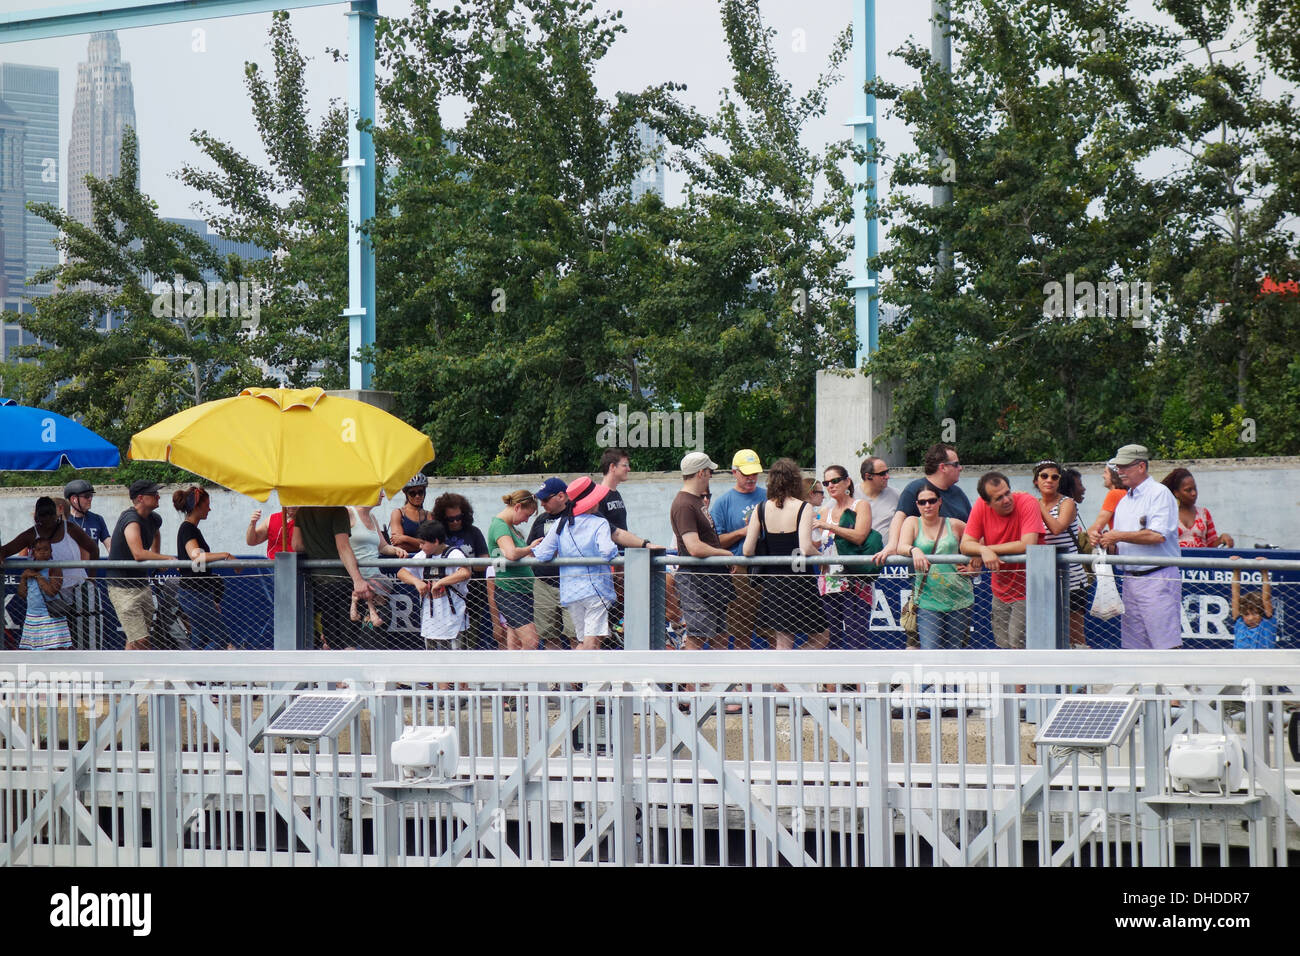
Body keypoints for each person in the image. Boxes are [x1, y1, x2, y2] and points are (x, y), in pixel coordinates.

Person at [1095, 444, 1183, 650]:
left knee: (1166, 645)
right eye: (1118, 467)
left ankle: (1174, 682)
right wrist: (1105, 541)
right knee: (1134, 647)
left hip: (1157, 577)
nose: (1119, 471)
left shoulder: (1160, 494)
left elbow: (1158, 535)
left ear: (1141, 466)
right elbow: (1120, 544)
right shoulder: (1125, 501)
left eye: (1124, 466)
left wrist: (1116, 536)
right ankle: (1146, 683)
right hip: (1130, 580)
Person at [743, 458, 828, 650]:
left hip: (774, 581)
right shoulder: (803, 507)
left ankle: (780, 677)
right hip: (800, 579)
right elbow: (805, 547)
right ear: (795, 481)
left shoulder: (761, 508)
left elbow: (747, 550)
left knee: (783, 640)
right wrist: (822, 558)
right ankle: (788, 670)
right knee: (822, 635)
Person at [532, 477, 621, 651]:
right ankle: (579, 674)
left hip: (570, 591)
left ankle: (584, 676)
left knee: (584, 639)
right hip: (596, 589)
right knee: (591, 640)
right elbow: (607, 551)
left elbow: (542, 554)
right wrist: (615, 554)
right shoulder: (599, 523)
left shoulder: (560, 524)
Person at [960, 472, 1046, 649]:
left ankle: (1026, 677)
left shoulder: (1027, 501)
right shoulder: (980, 507)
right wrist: (982, 549)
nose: (1007, 499)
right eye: (999, 498)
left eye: (1008, 493)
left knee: (1017, 645)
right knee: (1003, 646)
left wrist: (987, 550)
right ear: (987, 503)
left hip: (1030, 588)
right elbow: (965, 545)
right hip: (1000, 589)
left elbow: (1028, 543)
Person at [670, 451, 735, 652]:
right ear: (700, 473)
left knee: (720, 635)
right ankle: (691, 683)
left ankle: (717, 683)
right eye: (709, 472)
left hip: (709, 577)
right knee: (697, 636)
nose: (710, 476)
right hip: (695, 579)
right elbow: (694, 546)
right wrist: (726, 555)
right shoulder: (684, 504)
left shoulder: (695, 500)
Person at [812, 465, 878, 649]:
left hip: (855, 580)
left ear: (847, 481)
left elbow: (859, 536)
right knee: (832, 638)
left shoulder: (860, 506)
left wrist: (830, 527)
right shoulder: (824, 511)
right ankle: (833, 677)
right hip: (829, 581)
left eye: (835, 481)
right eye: (826, 483)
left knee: (856, 636)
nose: (830, 486)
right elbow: (817, 544)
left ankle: (856, 678)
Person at [898, 490, 973, 650]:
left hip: (959, 597)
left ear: (940, 502)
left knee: (955, 652)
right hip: (928, 600)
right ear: (917, 504)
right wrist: (914, 550)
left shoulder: (954, 524)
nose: (927, 505)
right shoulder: (912, 522)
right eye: (922, 502)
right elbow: (901, 546)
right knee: (930, 653)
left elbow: (978, 540)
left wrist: (974, 565)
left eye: (932, 501)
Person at [292, 506, 374, 650]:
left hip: (318, 583)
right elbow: (343, 547)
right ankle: (350, 670)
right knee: (349, 640)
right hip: (341, 580)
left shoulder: (302, 512)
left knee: (332, 640)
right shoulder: (338, 511)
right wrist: (358, 579)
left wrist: (316, 548)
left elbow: (297, 545)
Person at [874, 443, 971, 563]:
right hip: (925, 572)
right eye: (956, 464)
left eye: (932, 501)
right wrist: (892, 545)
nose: (960, 468)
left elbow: (973, 528)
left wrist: (974, 559)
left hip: (958, 573)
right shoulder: (914, 489)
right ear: (943, 467)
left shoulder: (958, 493)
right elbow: (899, 517)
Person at [711, 449, 767, 649]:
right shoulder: (722, 503)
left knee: (775, 633)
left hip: (768, 569)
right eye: (746, 474)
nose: (751, 478)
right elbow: (715, 542)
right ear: (734, 472)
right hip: (740, 572)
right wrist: (744, 532)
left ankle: (777, 679)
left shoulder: (769, 497)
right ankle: (744, 681)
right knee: (741, 632)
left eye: (754, 473)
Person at [105, 481, 171, 650]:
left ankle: (127, 675)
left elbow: (156, 532)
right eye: (153, 494)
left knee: (135, 637)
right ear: (140, 498)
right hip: (122, 588)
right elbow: (138, 553)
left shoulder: (154, 518)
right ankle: (146, 676)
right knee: (141, 640)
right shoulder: (130, 518)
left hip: (142, 584)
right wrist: (164, 559)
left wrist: (157, 556)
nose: (158, 496)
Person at [398, 520, 472, 663]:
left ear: (436, 541)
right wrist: (417, 582)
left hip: (454, 615)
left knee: (459, 659)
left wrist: (442, 582)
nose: (420, 546)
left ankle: (462, 686)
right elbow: (402, 572)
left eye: (423, 543)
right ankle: (441, 686)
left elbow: (465, 572)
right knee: (434, 659)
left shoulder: (454, 554)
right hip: (430, 618)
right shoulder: (422, 555)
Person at [172, 486, 236, 650]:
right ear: (197, 506)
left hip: (198, 594)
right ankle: (199, 673)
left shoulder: (191, 529)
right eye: (207, 504)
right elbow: (196, 556)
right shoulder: (187, 529)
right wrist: (225, 555)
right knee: (221, 639)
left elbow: (198, 565)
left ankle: (194, 673)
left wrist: (209, 598)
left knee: (200, 640)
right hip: (194, 594)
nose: (209, 508)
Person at [1034, 460, 1088, 648]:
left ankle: (1082, 676)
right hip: (1043, 579)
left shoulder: (1067, 503)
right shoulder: (1033, 505)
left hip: (1071, 580)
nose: (1049, 480)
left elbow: (1057, 528)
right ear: (1036, 481)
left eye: (1054, 477)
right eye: (1044, 476)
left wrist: (1038, 507)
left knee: (1074, 636)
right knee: (1046, 635)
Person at [431, 492, 493, 650]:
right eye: (451, 519)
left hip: (472, 594)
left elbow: (484, 561)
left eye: (459, 517)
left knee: (471, 637)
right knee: (445, 636)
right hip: (445, 594)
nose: (456, 522)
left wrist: (464, 568)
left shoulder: (474, 532)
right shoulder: (439, 534)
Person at [526, 478, 578, 650]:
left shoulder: (576, 515)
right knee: (548, 634)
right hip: (544, 583)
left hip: (571, 582)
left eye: (546, 499)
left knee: (575, 634)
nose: (542, 504)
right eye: (541, 500)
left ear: (561, 496)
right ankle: (556, 677)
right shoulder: (541, 520)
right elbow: (531, 547)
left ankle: (576, 677)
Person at [349, 498, 409, 643]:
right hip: (354, 581)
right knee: (359, 640)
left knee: (377, 638)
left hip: (376, 582)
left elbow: (382, 547)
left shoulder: (372, 517)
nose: (382, 495)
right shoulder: (349, 513)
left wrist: (396, 550)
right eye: (379, 491)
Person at [488, 490, 541, 650]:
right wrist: (530, 548)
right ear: (517, 507)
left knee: (515, 643)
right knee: (531, 642)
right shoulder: (500, 526)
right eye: (527, 515)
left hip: (521, 591)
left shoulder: (509, 527)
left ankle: (514, 674)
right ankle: (523, 674)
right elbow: (511, 553)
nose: (526, 521)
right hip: (511, 592)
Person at [64, 478, 111, 650]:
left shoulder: (97, 519)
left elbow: (109, 544)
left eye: (91, 496)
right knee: (67, 629)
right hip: (65, 583)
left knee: (89, 626)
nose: (90, 499)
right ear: (73, 499)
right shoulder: (63, 521)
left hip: (88, 582)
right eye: (86, 496)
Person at [18, 538, 72, 650]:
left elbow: (52, 592)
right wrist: (23, 578)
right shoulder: (29, 568)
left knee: (53, 651)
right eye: (38, 549)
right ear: (33, 552)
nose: (42, 552)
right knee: (33, 653)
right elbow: (22, 595)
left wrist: (38, 576)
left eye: (46, 549)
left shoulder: (54, 568)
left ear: (51, 551)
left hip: (50, 617)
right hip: (32, 617)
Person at [1161, 467, 1234, 549]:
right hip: (1176, 560)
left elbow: (1211, 545)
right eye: (1188, 490)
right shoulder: (1168, 514)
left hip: (1199, 560)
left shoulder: (1204, 514)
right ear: (1176, 493)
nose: (1194, 493)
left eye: (1194, 488)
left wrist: (1222, 538)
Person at [1230, 557, 1276, 649]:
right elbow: (1235, 595)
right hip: (1240, 662)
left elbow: (1266, 598)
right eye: (1246, 614)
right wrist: (1236, 570)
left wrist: (1264, 572)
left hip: (1264, 661)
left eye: (1255, 613)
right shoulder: (1240, 623)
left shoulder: (1266, 624)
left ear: (1261, 613)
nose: (1251, 618)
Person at [859, 456, 900, 537]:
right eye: (882, 474)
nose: (887, 477)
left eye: (887, 472)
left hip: (888, 548)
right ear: (868, 476)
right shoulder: (851, 495)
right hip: (858, 548)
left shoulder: (896, 495)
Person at [389, 474, 430, 552]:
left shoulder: (429, 515)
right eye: (412, 493)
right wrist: (422, 545)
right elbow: (399, 545)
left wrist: (405, 538)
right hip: (405, 561)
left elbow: (432, 544)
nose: (417, 496)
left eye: (420, 492)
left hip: (426, 562)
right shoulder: (398, 513)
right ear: (406, 494)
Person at [1085, 465, 1126, 545]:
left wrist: (1082, 537)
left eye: (1105, 472)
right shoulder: (1125, 493)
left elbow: (1097, 527)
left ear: (1114, 475)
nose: (1103, 476)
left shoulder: (1114, 494)